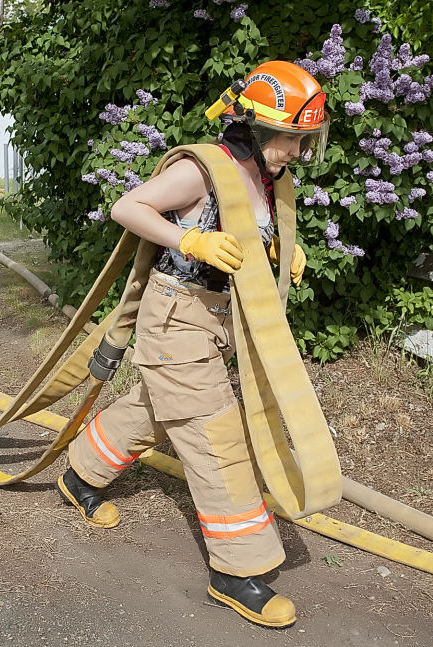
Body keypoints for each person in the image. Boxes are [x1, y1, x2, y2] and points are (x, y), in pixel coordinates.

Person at [56, 61, 328, 629]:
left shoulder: (268, 177)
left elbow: (248, 232)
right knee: (215, 435)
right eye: (290, 138)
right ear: (254, 128)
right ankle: (237, 571)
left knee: (157, 409)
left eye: (305, 141)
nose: (297, 152)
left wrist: (279, 250)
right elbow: (127, 207)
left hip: (215, 322)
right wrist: (189, 239)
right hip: (175, 319)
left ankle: (79, 474)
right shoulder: (203, 171)